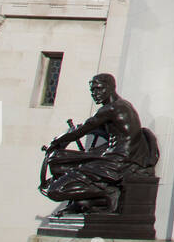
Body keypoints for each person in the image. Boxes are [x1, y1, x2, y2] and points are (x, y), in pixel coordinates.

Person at [40, 74, 156, 214]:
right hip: (116, 156)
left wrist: (56, 140)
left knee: (55, 190)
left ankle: (107, 193)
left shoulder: (110, 109)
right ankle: (83, 200)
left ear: (110, 88)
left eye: (98, 89)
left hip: (117, 162)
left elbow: (82, 129)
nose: (95, 94)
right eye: (92, 91)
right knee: (60, 158)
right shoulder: (124, 106)